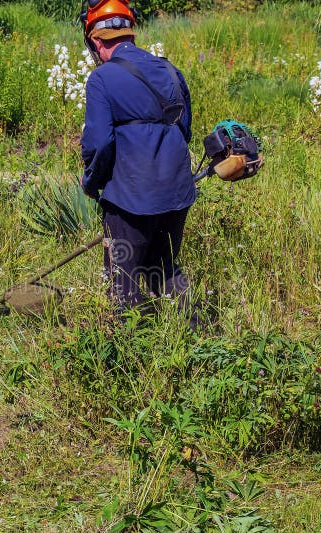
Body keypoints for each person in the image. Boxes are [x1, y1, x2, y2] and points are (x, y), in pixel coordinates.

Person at [80, 0, 197, 319]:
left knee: (123, 281)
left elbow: (99, 144)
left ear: (95, 40)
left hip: (130, 202)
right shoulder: (171, 70)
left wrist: (91, 182)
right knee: (167, 268)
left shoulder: (101, 79)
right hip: (178, 194)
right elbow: (184, 131)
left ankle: (130, 356)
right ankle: (196, 339)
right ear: (131, 33)